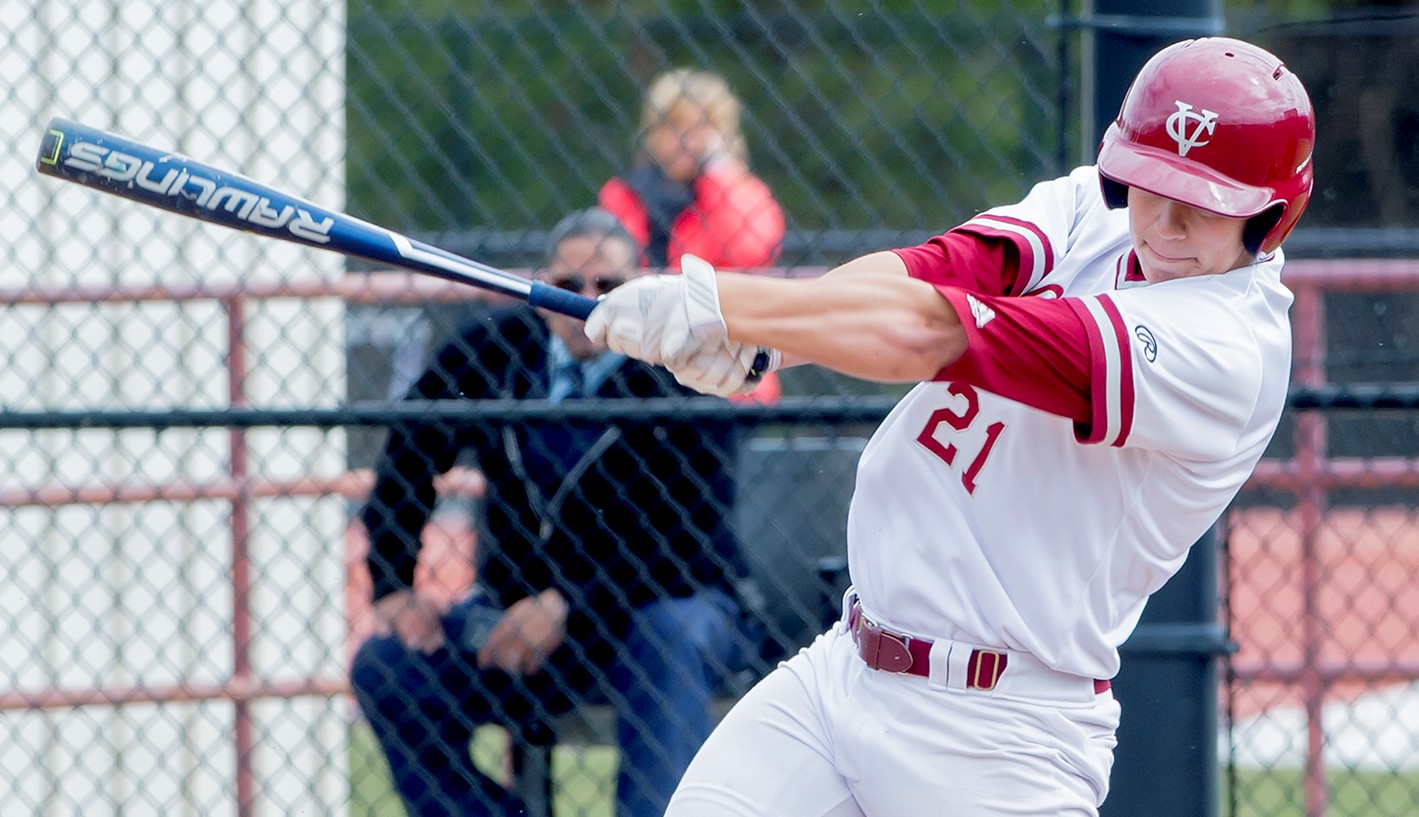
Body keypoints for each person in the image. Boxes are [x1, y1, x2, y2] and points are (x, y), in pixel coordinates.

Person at [584, 37, 1314, 816]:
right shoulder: (1090, 208)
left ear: (1270, 217)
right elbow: (922, 274)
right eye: (1147, 183)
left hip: (997, 734)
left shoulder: (1228, 348)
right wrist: (774, 343)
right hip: (842, 674)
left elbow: (934, 334)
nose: (1163, 222)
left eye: (1202, 205)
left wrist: (728, 303)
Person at [351, 207, 753, 817]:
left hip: (662, 610)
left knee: (667, 635)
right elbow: (408, 451)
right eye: (567, 286)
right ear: (540, 289)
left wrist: (568, 603)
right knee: (388, 667)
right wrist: (391, 584)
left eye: (608, 287)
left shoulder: (684, 370)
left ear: (642, 288)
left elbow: (689, 542)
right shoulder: (492, 350)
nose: (586, 302)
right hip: (523, 620)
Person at [600, 68, 786, 271]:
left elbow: (750, 253)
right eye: (673, 125)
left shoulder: (747, 194)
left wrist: (720, 173)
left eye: (702, 126)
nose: (686, 138)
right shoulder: (624, 194)